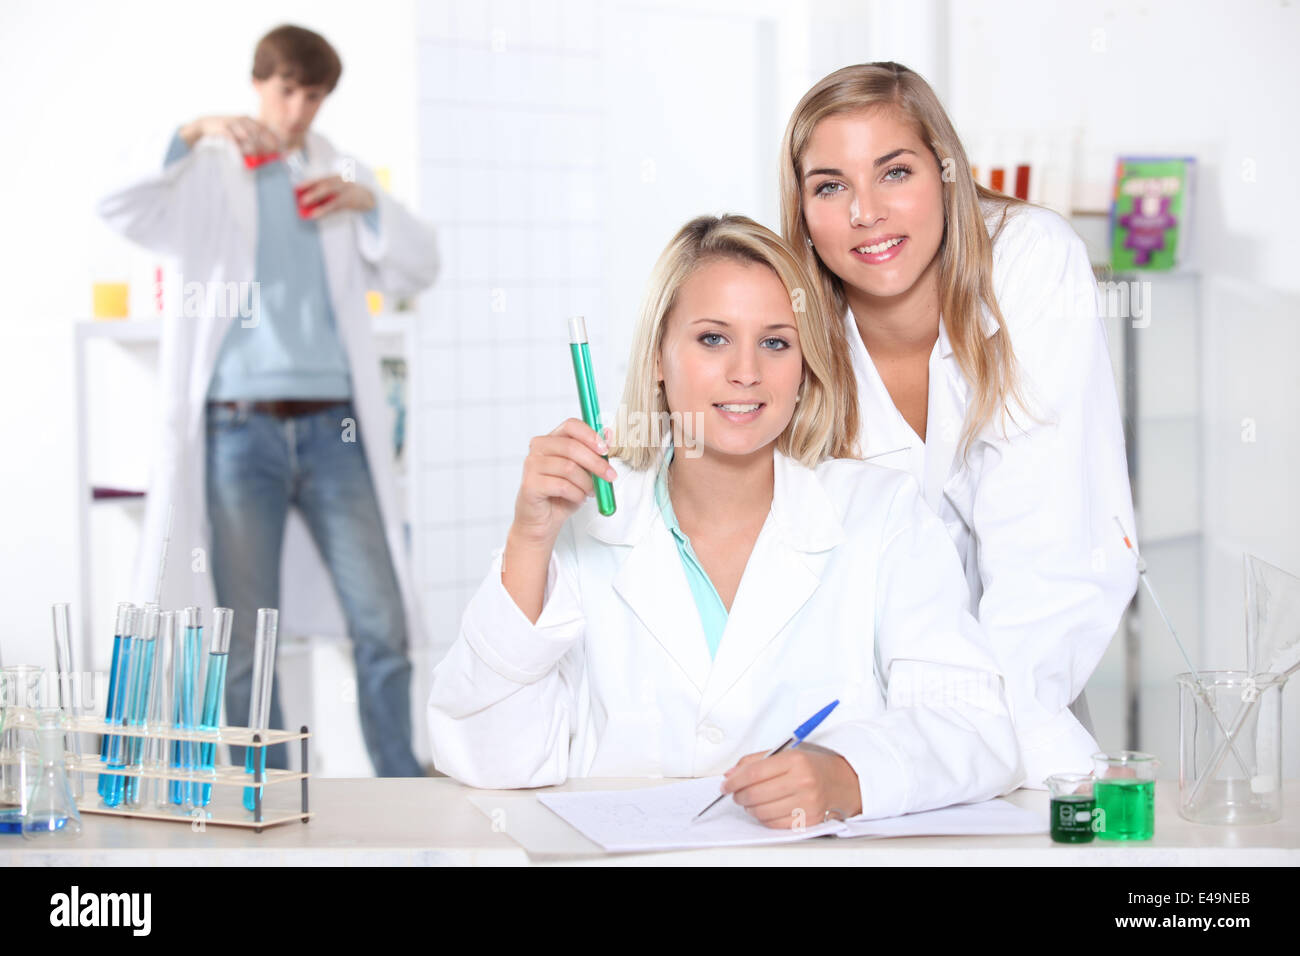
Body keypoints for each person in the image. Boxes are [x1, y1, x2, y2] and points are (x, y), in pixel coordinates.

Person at [427, 215, 1022, 826]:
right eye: (712, 338)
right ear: (658, 356)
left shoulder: (880, 514)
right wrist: (530, 540)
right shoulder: (585, 524)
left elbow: (975, 727)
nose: (746, 372)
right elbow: (491, 758)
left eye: (775, 342)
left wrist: (844, 776)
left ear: (805, 364)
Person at [778, 62, 1138, 787]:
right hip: (853, 733)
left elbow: (1051, 551)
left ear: (946, 172)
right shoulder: (788, 319)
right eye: (830, 186)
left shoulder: (1031, 264)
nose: (865, 212)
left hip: (1018, 712)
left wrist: (958, 752)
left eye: (895, 172)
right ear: (804, 211)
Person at [97, 24, 438, 776]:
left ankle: (402, 782)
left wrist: (370, 204)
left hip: (334, 429)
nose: (298, 109)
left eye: (313, 95)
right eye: (287, 90)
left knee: (380, 618)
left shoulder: (338, 174)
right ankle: (266, 792)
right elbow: (118, 205)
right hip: (236, 431)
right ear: (259, 84)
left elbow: (419, 266)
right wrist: (191, 132)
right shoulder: (208, 169)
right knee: (244, 633)